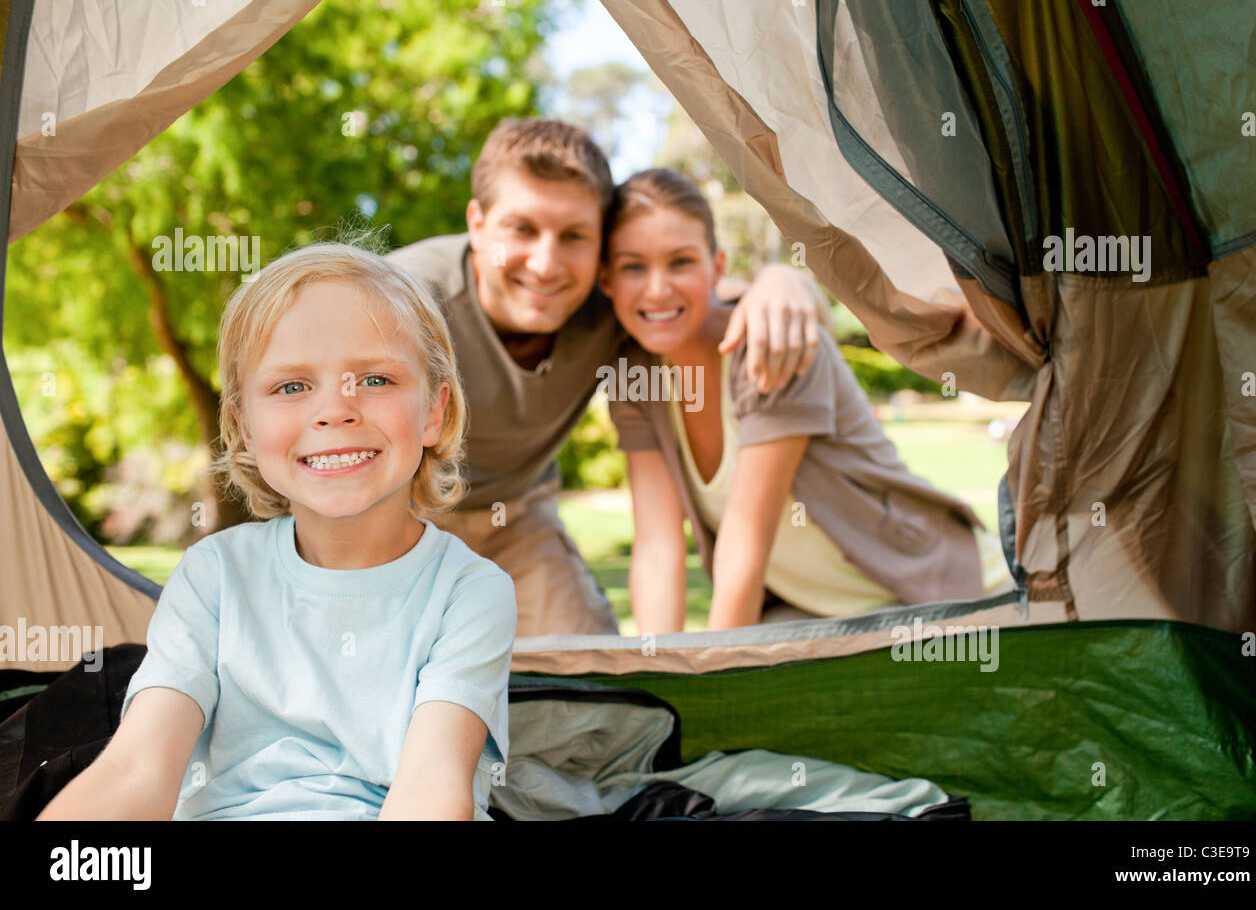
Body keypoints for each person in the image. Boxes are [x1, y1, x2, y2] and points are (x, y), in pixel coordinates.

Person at [37, 243, 515, 820]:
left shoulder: (468, 592)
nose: (335, 410)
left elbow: (430, 795)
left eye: (375, 378)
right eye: (291, 387)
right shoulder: (214, 576)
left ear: (434, 412)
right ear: (244, 425)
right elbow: (139, 769)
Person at [387, 119, 824, 637]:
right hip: (396, 516)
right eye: (523, 229)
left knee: (592, 678)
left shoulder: (615, 302)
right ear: (477, 224)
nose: (547, 265)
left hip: (519, 520)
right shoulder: (401, 297)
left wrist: (787, 279)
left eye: (574, 236)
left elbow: (697, 296)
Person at [599, 169, 1008, 633]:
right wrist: (663, 680)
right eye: (634, 266)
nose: (657, 288)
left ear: (717, 267)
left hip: (943, 594)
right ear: (607, 278)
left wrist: (710, 683)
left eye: (680, 262)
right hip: (820, 617)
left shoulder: (773, 344)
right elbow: (657, 547)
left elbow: (744, 544)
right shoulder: (636, 375)